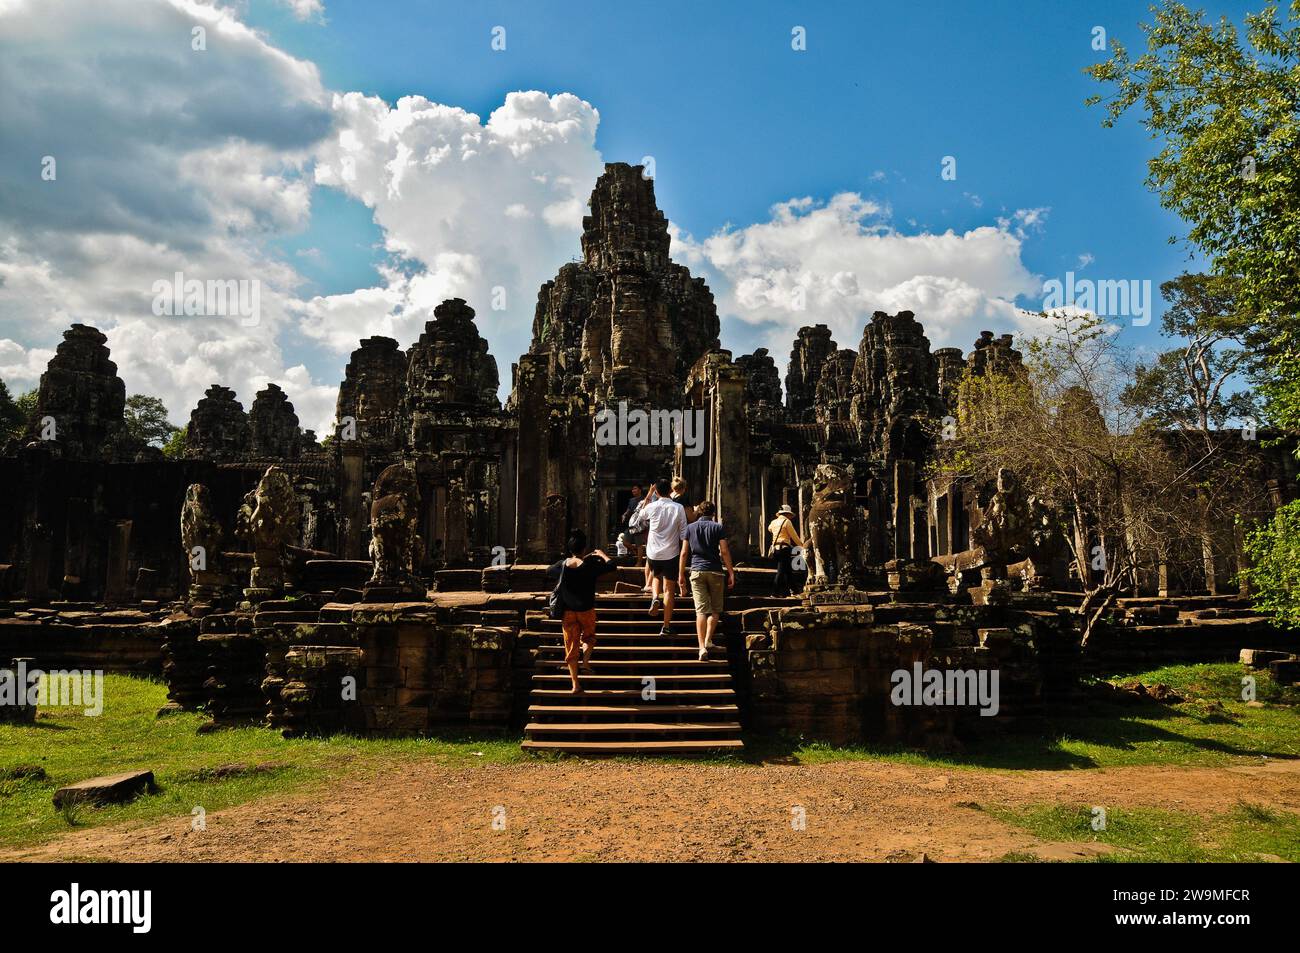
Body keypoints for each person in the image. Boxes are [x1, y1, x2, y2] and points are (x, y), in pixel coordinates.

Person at [546, 529, 619, 693]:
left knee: (570, 646)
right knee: (589, 638)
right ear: (584, 549)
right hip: (586, 609)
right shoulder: (591, 565)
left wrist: (571, 560)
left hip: (568, 612)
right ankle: (585, 662)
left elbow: (548, 571)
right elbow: (612, 566)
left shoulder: (562, 565)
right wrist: (602, 555)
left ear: (570, 549)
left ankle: (575, 684)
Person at [629, 478, 688, 635]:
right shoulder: (678, 508)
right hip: (671, 552)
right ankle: (666, 626)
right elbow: (683, 533)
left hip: (653, 552)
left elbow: (640, 516)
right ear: (670, 490)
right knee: (669, 589)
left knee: (656, 577)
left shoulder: (652, 507)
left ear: (656, 491)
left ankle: (655, 597)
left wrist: (648, 497)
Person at [677, 500, 734, 661]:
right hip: (715, 570)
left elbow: (684, 553)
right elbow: (724, 551)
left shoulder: (690, 528)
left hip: (696, 571)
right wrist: (731, 571)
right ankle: (708, 639)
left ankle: (702, 647)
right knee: (715, 609)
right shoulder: (718, 527)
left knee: (701, 611)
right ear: (713, 513)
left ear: (699, 512)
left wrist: (681, 574)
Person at [768, 503, 804, 598]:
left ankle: (795, 591)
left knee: (788, 570)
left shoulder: (773, 522)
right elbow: (794, 536)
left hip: (775, 549)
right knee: (781, 571)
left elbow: (769, 529)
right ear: (787, 514)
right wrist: (802, 546)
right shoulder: (787, 522)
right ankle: (774, 592)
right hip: (784, 549)